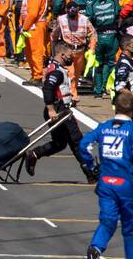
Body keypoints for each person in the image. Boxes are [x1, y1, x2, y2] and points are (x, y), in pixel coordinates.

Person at [77, 90, 133, 259]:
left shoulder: (104, 127)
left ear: (114, 106)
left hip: (106, 182)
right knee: (129, 228)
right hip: (125, 183)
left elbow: (83, 144)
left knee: (108, 220)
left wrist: (91, 167)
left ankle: (96, 247)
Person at [25, 44, 97, 181]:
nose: (71, 59)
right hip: (58, 111)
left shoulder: (56, 68)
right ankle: (90, 172)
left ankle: (35, 154)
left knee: (60, 143)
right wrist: (51, 109)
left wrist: (70, 99)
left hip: (60, 108)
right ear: (62, 55)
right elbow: (47, 89)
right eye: (70, 56)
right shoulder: (56, 71)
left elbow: (59, 90)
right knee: (77, 141)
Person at [85, 0, 123, 96]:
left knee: (98, 63)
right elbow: (118, 13)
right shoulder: (112, 1)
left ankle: (98, 90)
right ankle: (107, 87)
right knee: (111, 62)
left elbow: (89, 18)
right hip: (112, 36)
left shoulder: (92, 4)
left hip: (99, 37)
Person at [51, 0, 97, 94]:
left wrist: (92, 49)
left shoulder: (84, 20)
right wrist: (53, 50)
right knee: (70, 74)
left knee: (76, 74)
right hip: (67, 49)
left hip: (80, 50)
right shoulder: (61, 19)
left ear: (78, 10)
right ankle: (71, 94)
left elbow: (93, 34)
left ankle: (72, 91)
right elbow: (54, 34)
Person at [19, 0, 49, 83]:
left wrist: (25, 27)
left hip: (36, 26)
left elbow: (33, 14)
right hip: (30, 26)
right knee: (29, 51)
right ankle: (34, 74)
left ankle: (38, 76)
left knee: (36, 51)